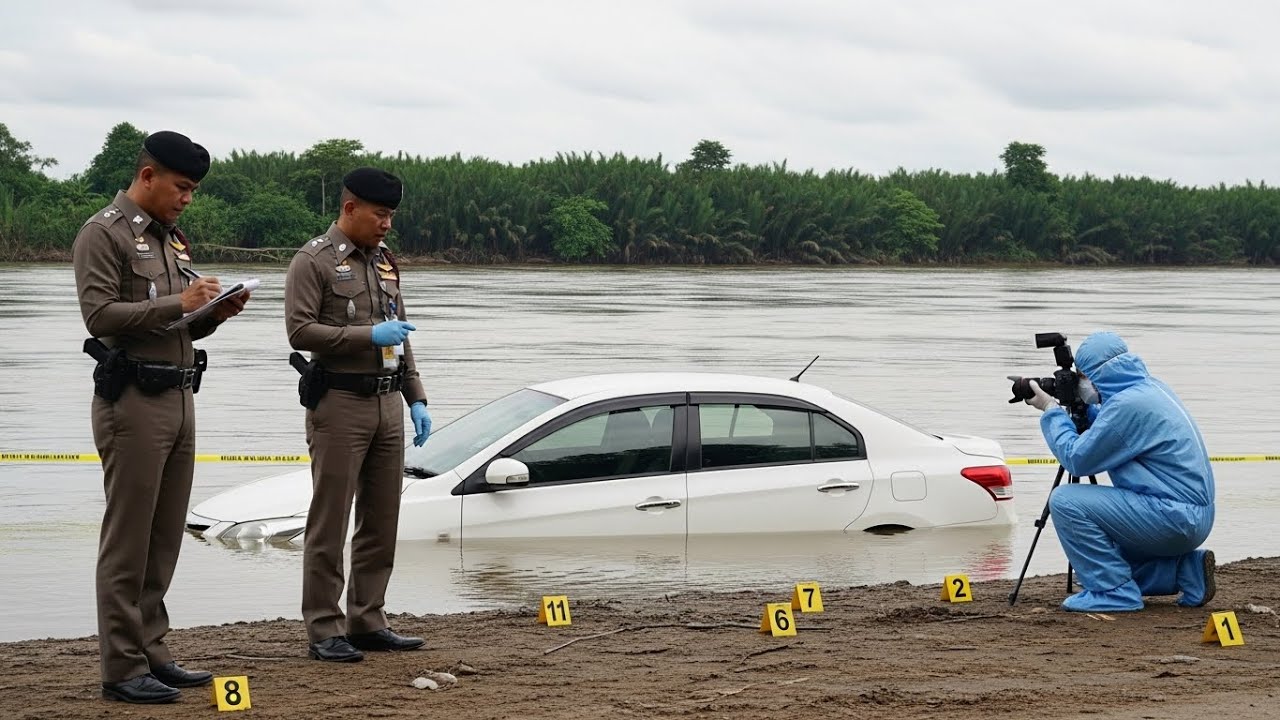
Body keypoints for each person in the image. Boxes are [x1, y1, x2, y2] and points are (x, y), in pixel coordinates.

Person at [72, 130, 250, 703]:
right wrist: (182, 301)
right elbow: (100, 316)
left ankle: (153, 650)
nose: (187, 199)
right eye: (182, 187)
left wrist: (214, 315)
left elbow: (176, 324)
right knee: (128, 540)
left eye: (193, 190)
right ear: (148, 176)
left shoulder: (171, 241)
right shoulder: (103, 233)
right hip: (133, 404)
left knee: (165, 535)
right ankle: (121, 668)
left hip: (179, 397)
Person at [284, 167, 432, 662]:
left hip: (387, 403)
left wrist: (417, 398)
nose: (387, 224)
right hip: (340, 404)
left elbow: (400, 333)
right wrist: (364, 337)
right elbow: (300, 331)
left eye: (391, 215)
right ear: (350, 208)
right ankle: (325, 627)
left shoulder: (386, 262)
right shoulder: (314, 261)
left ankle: (368, 619)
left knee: (381, 518)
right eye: (380, 214)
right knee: (330, 520)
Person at [1024, 331, 1215, 613]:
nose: (1082, 382)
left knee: (1066, 501)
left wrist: (1051, 411)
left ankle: (1113, 593)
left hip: (1173, 518)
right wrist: (1083, 409)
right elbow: (1112, 429)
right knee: (1103, 558)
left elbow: (1077, 460)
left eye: (1083, 376)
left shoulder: (1127, 406)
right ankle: (1186, 571)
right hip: (1192, 517)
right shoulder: (1149, 389)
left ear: (1098, 374)